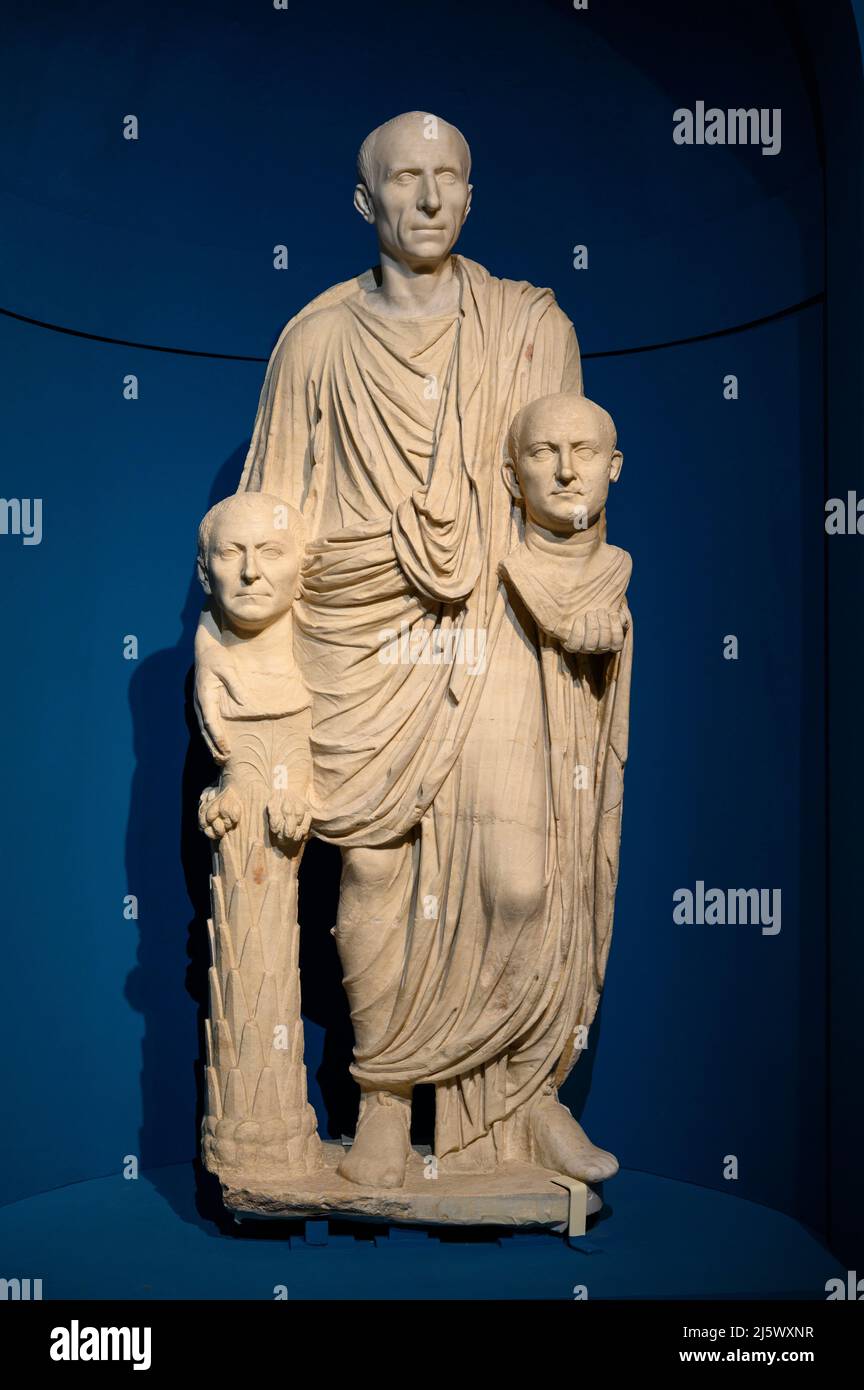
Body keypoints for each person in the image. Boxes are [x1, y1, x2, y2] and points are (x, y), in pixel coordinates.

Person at [196, 112, 620, 1189]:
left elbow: (568, 493)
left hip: (498, 621)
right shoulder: (317, 340)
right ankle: (382, 1100)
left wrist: (581, 602)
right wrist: (260, 689)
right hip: (356, 634)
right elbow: (273, 518)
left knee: (522, 877)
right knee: (376, 870)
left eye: (449, 179)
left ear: (470, 197)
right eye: (404, 180)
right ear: (365, 201)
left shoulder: (532, 327)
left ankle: (521, 1107)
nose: (428, 199)